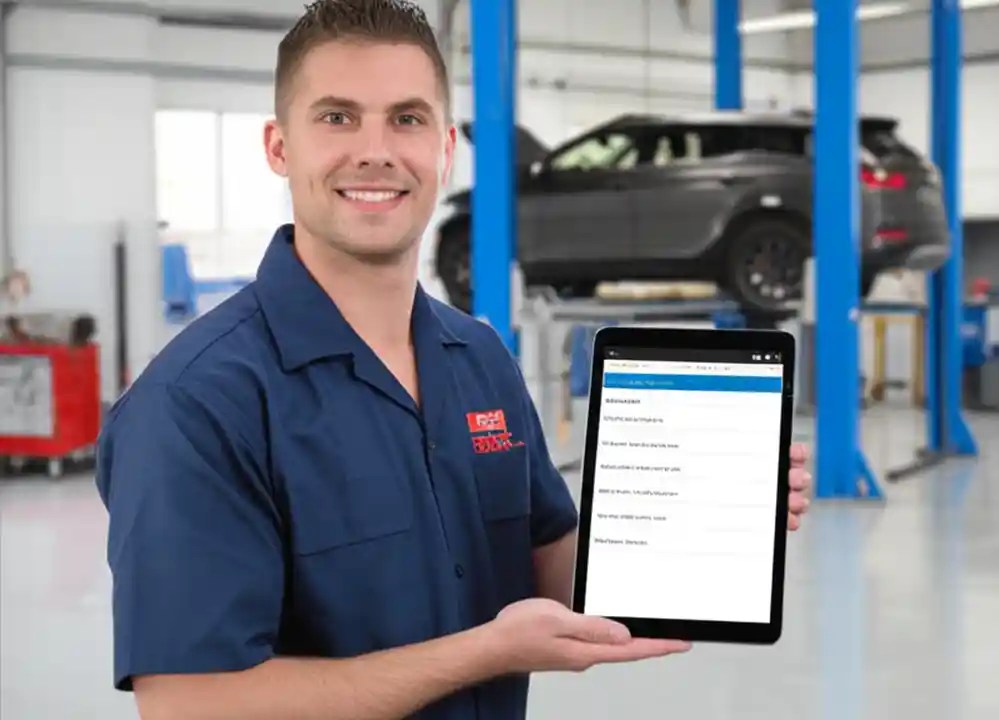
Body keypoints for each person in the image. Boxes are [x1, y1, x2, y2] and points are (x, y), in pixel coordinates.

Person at [94, 1, 813, 719]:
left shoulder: (477, 357)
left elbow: (552, 570)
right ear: (279, 147)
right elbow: (196, 705)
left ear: (443, 149)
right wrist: (486, 652)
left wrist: (703, 519)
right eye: (337, 117)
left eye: (406, 119)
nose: (375, 150)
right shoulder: (196, 403)